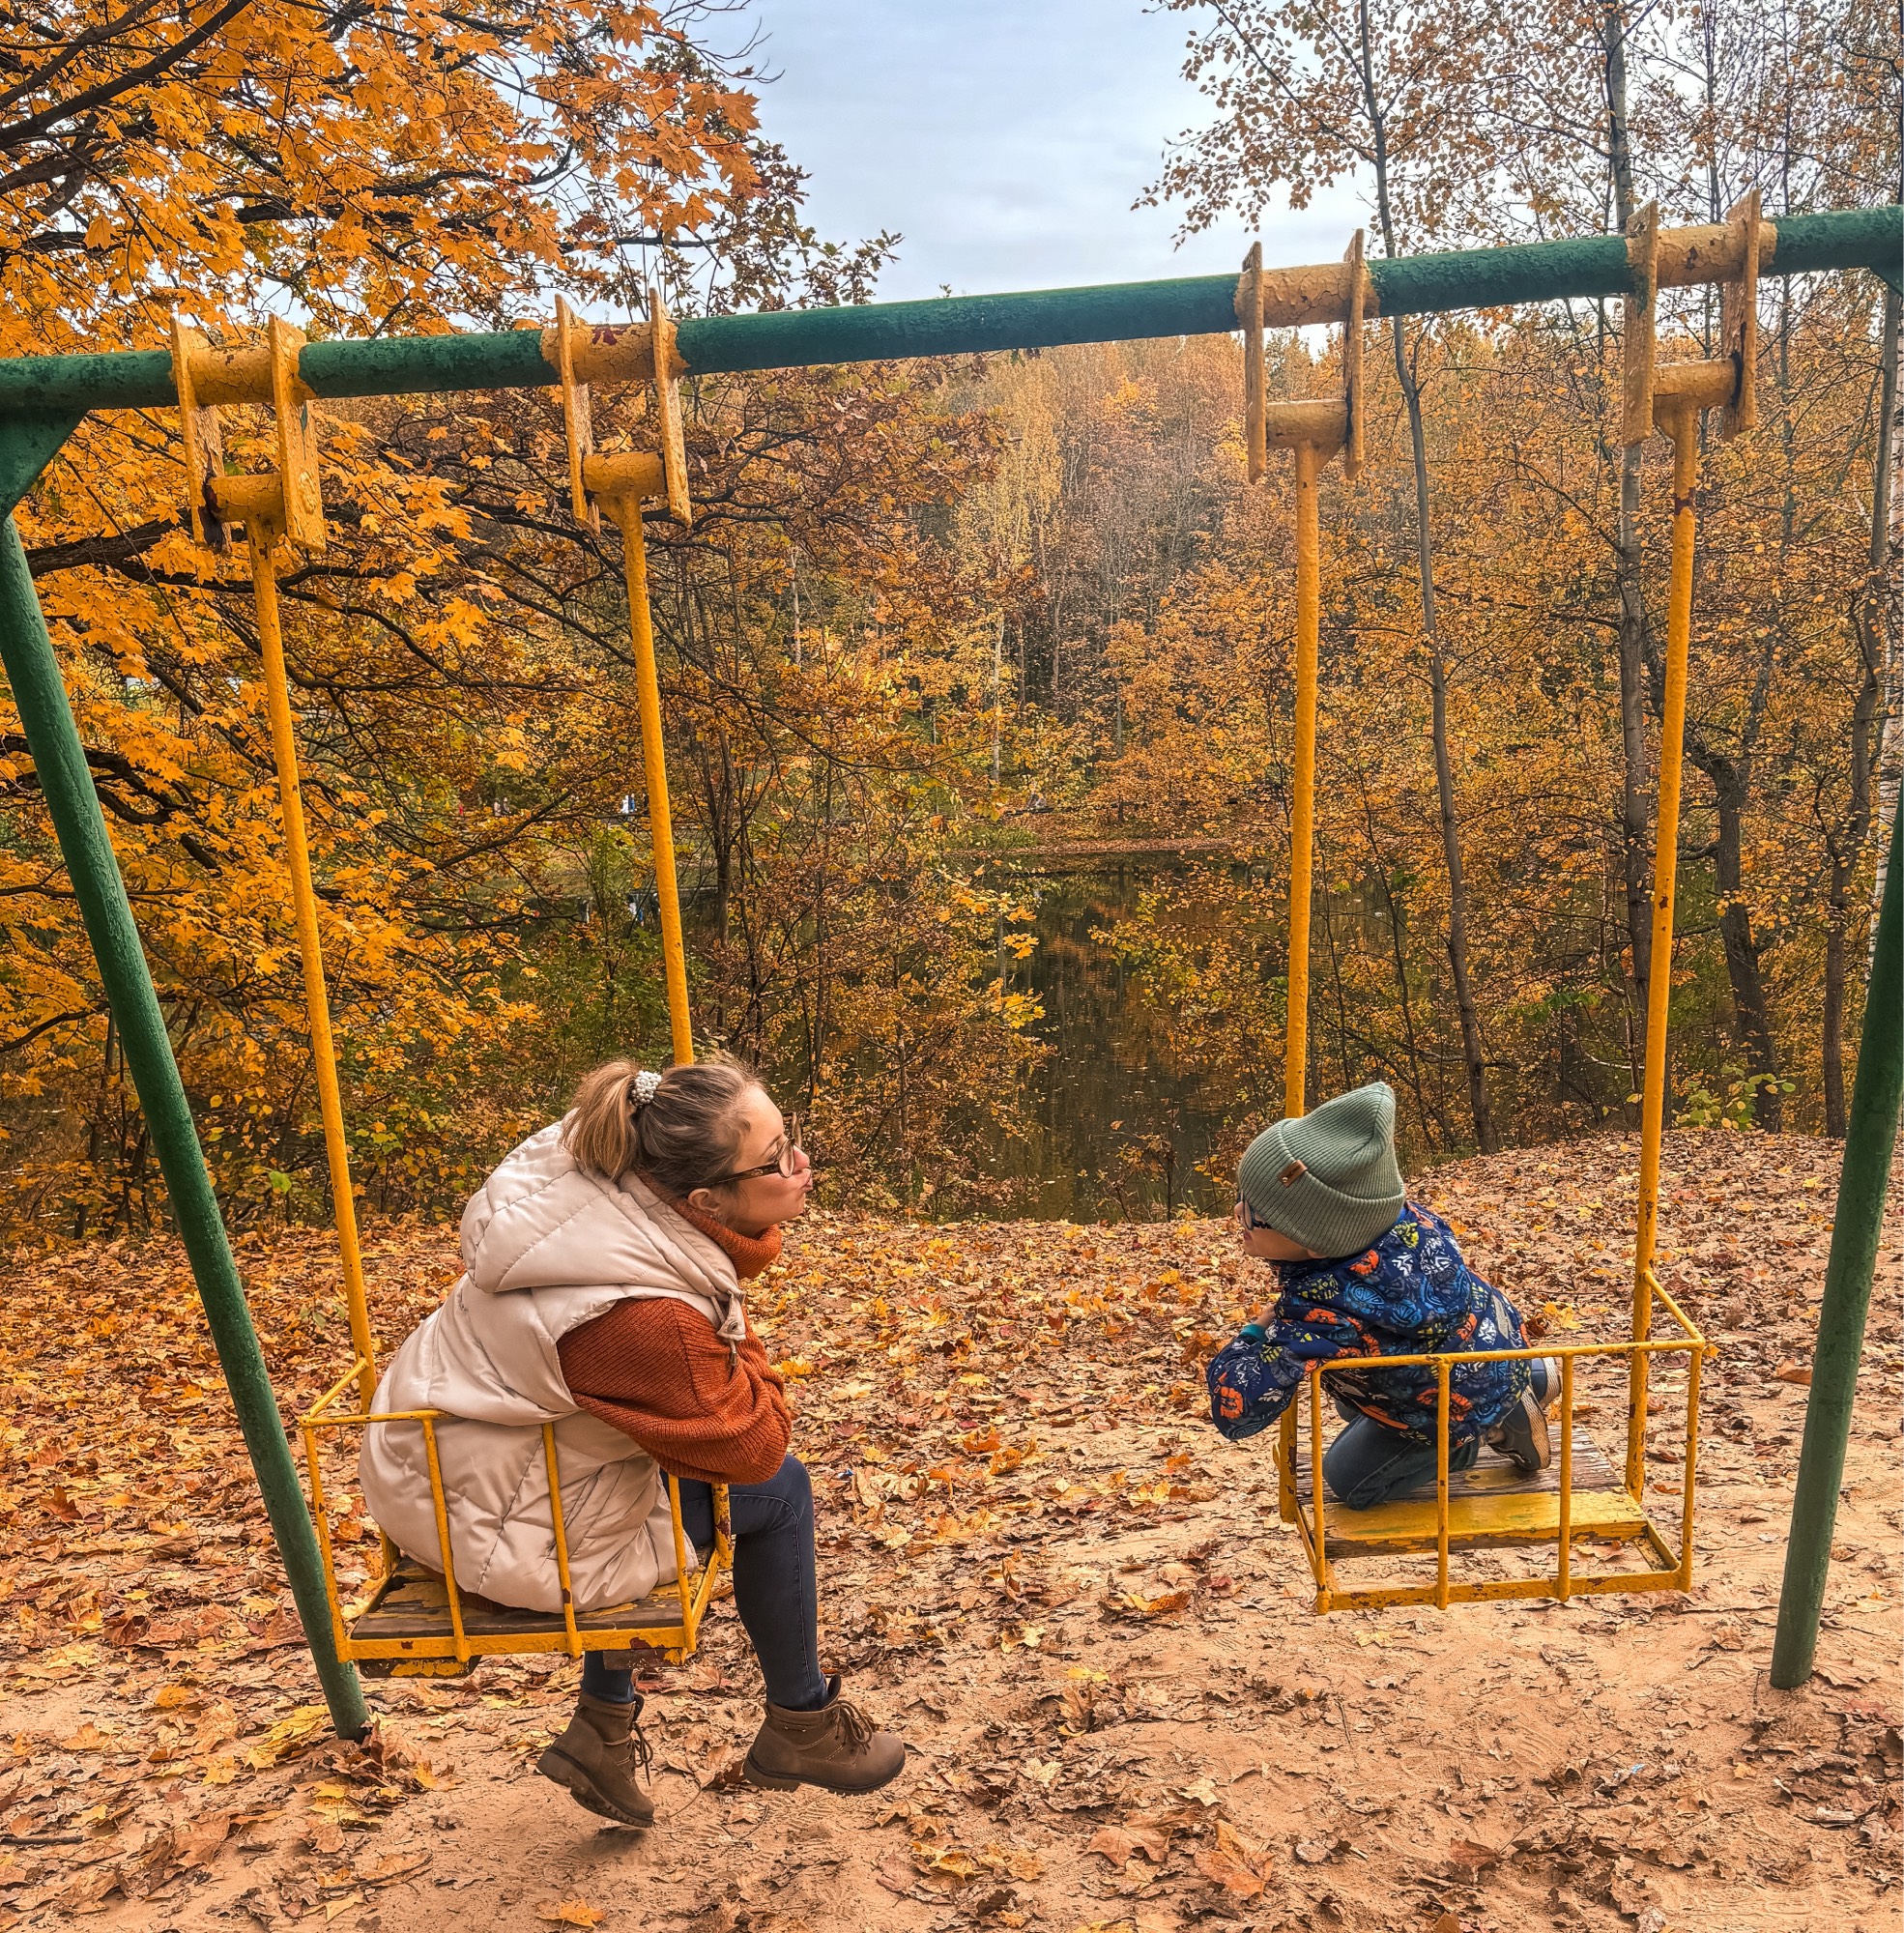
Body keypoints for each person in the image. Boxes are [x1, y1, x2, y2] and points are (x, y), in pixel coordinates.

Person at [359, 1053, 904, 1827]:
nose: (802, 1163)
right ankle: (801, 1723)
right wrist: (739, 1345)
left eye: (793, 1137)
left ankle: (601, 1730)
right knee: (777, 1490)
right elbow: (754, 1442)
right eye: (776, 1156)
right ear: (707, 1199)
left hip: (446, 1455)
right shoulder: (647, 1317)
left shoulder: (601, 1167)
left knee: (653, 1459)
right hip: (489, 1511)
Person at [1204, 1081, 1560, 1508]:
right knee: (1347, 1405)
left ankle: (1479, 1434)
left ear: (1315, 1239)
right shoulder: (1404, 1222)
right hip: (1493, 1342)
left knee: (1349, 1483)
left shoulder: (1323, 1309)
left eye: (1256, 1213)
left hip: (1447, 1401)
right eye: (1243, 1196)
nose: (1238, 1213)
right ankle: (1530, 1377)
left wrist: (1257, 1329)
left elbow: (1236, 1414)